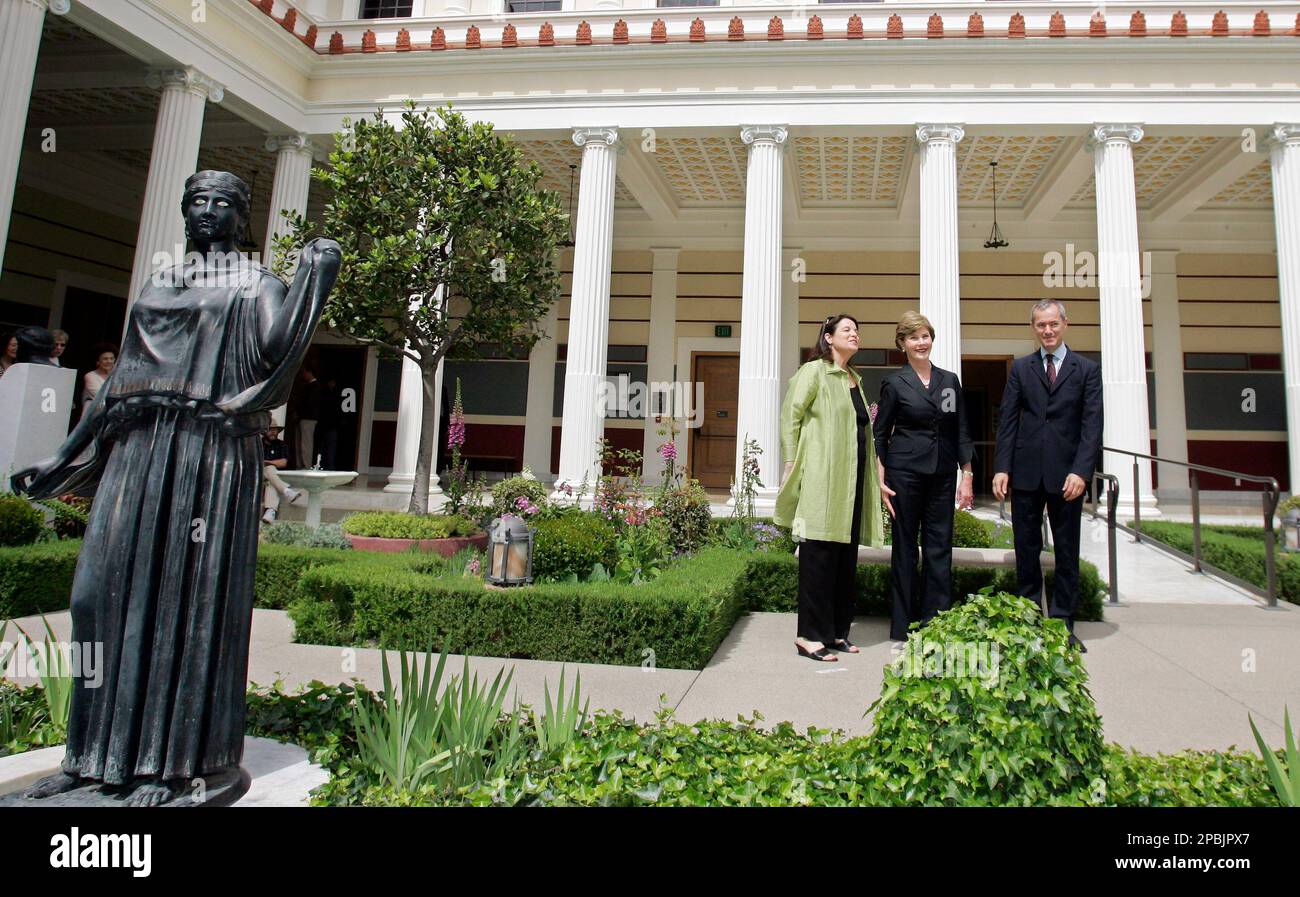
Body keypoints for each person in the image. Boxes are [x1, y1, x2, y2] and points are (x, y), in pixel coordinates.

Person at [11, 170, 340, 806]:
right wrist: (65, 454)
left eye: (222, 203)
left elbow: (275, 354)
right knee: (95, 601)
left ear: (241, 217)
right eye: (197, 202)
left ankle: (177, 762)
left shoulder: (254, 283)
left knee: (183, 604)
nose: (208, 212)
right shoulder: (162, 280)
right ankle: (87, 755)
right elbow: (118, 381)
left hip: (207, 457)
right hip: (138, 449)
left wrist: (312, 284)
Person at [992, 299, 1103, 652]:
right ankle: (1028, 621)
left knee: (1066, 552)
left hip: (1067, 477)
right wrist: (1001, 467)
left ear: (1065, 324)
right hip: (1025, 474)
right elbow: (1008, 420)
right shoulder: (1022, 369)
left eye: (1053, 324)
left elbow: (1092, 426)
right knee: (1027, 550)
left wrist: (1082, 472)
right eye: (1041, 325)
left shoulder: (1086, 370)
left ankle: (1061, 626)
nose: (1048, 330)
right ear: (1033, 328)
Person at [774, 314, 886, 662]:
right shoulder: (814, 372)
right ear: (828, 337)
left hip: (852, 485)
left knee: (843, 561)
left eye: (857, 330)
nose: (854, 334)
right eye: (847, 330)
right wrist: (791, 461)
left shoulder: (855, 379)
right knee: (818, 560)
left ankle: (837, 632)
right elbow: (790, 415)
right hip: (823, 480)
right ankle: (809, 636)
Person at [872, 312, 974, 642]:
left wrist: (967, 474)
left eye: (925, 336)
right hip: (905, 475)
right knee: (904, 548)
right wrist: (881, 475)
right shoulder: (895, 382)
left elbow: (960, 430)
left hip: (942, 475)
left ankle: (936, 623)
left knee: (939, 548)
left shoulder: (949, 381)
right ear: (902, 343)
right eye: (914, 337)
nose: (921, 342)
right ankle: (902, 625)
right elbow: (880, 432)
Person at [261, 424, 303, 523]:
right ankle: (286, 491)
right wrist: (271, 463)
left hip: (271, 479)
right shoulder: (259, 444)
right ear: (264, 431)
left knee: (270, 481)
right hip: (258, 477)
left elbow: (283, 463)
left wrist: (266, 462)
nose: (273, 432)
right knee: (270, 469)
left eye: (275, 430)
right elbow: (257, 462)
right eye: (270, 430)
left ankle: (270, 511)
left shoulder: (281, 445)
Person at [295, 366, 323, 467]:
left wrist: (299, 411)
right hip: (302, 418)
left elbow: (310, 403)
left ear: (309, 372)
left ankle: (305, 466)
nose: (303, 375)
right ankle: (299, 465)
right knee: (299, 443)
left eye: (304, 372)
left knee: (306, 443)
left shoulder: (315, 387)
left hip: (309, 418)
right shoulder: (308, 386)